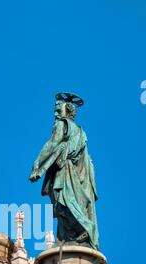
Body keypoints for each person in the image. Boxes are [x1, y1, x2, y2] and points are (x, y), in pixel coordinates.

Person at [29, 92, 99, 249]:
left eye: (57, 109)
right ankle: (69, 236)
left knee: (64, 203)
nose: (55, 113)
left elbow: (51, 145)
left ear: (67, 110)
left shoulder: (62, 124)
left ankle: (85, 228)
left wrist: (37, 163)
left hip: (66, 173)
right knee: (64, 205)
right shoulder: (80, 132)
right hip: (75, 175)